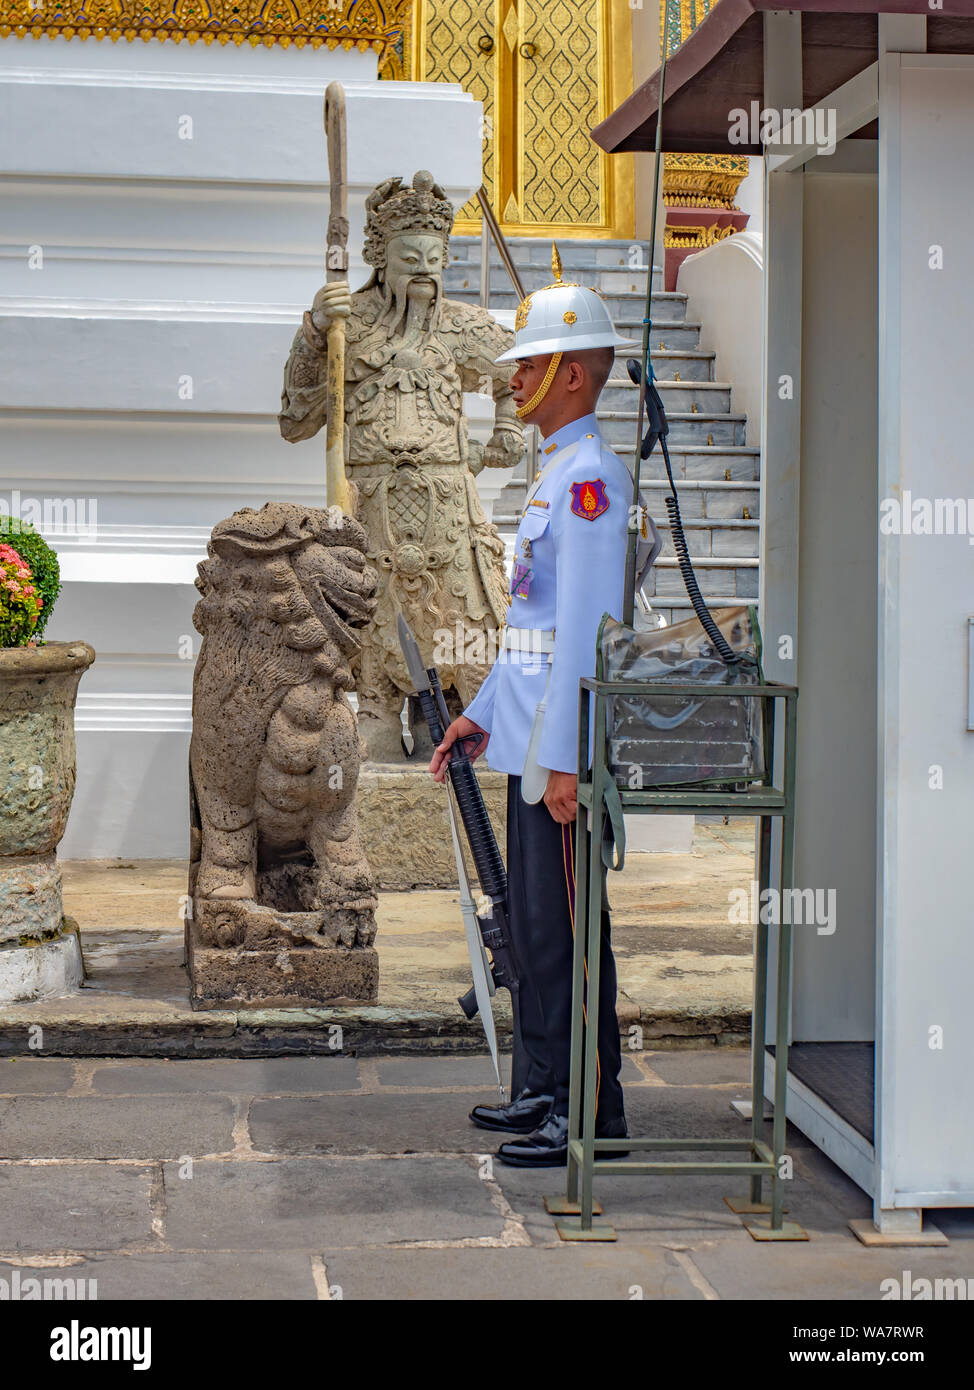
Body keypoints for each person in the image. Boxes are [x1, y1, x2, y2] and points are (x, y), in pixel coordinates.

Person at [429, 249, 660, 1167]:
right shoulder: (553, 473)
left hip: (555, 756)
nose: (514, 377)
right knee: (530, 929)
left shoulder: (591, 482)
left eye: (527, 364)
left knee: (567, 934)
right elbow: (531, 630)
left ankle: (589, 1112)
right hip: (525, 744)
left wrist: (567, 755)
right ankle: (538, 1086)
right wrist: (482, 714)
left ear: (570, 374)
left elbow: (591, 637)